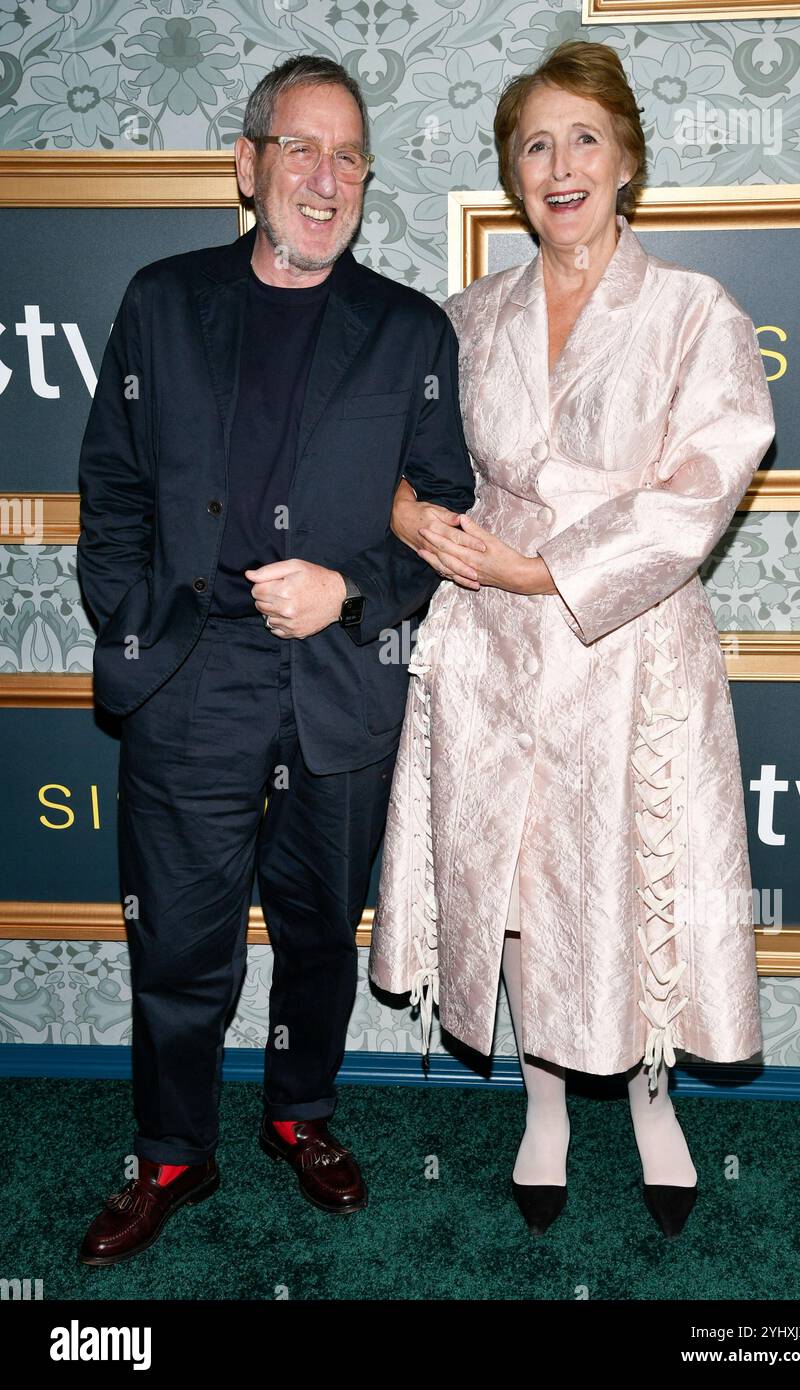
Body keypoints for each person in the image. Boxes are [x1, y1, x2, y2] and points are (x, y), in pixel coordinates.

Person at [370, 39, 775, 1239]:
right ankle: (542, 1100)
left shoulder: (692, 309)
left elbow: (702, 482)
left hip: (629, 640)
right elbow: (393, 452)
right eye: (533, 144)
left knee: (631, 867)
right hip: (490, 640)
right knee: (517, 877)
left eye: (581, 138)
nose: (559, 164)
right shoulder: (463, 314)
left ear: (627, 159)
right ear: (510, 173)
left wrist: (548, 567)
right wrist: (402, 511)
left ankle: (651, 1093)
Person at [76, 54, 475, 1266]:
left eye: (348, 154)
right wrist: (138, 639)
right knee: (181, 939)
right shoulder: (159, 301)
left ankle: (300, 1115)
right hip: (191, 680)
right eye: (299, 147)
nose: (325, 174)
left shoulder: (410, 330)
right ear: (247, 167)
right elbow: (112, 489)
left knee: (316, 933)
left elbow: (444, 506)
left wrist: (351, 585)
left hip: (338, 681)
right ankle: (170, 1150)